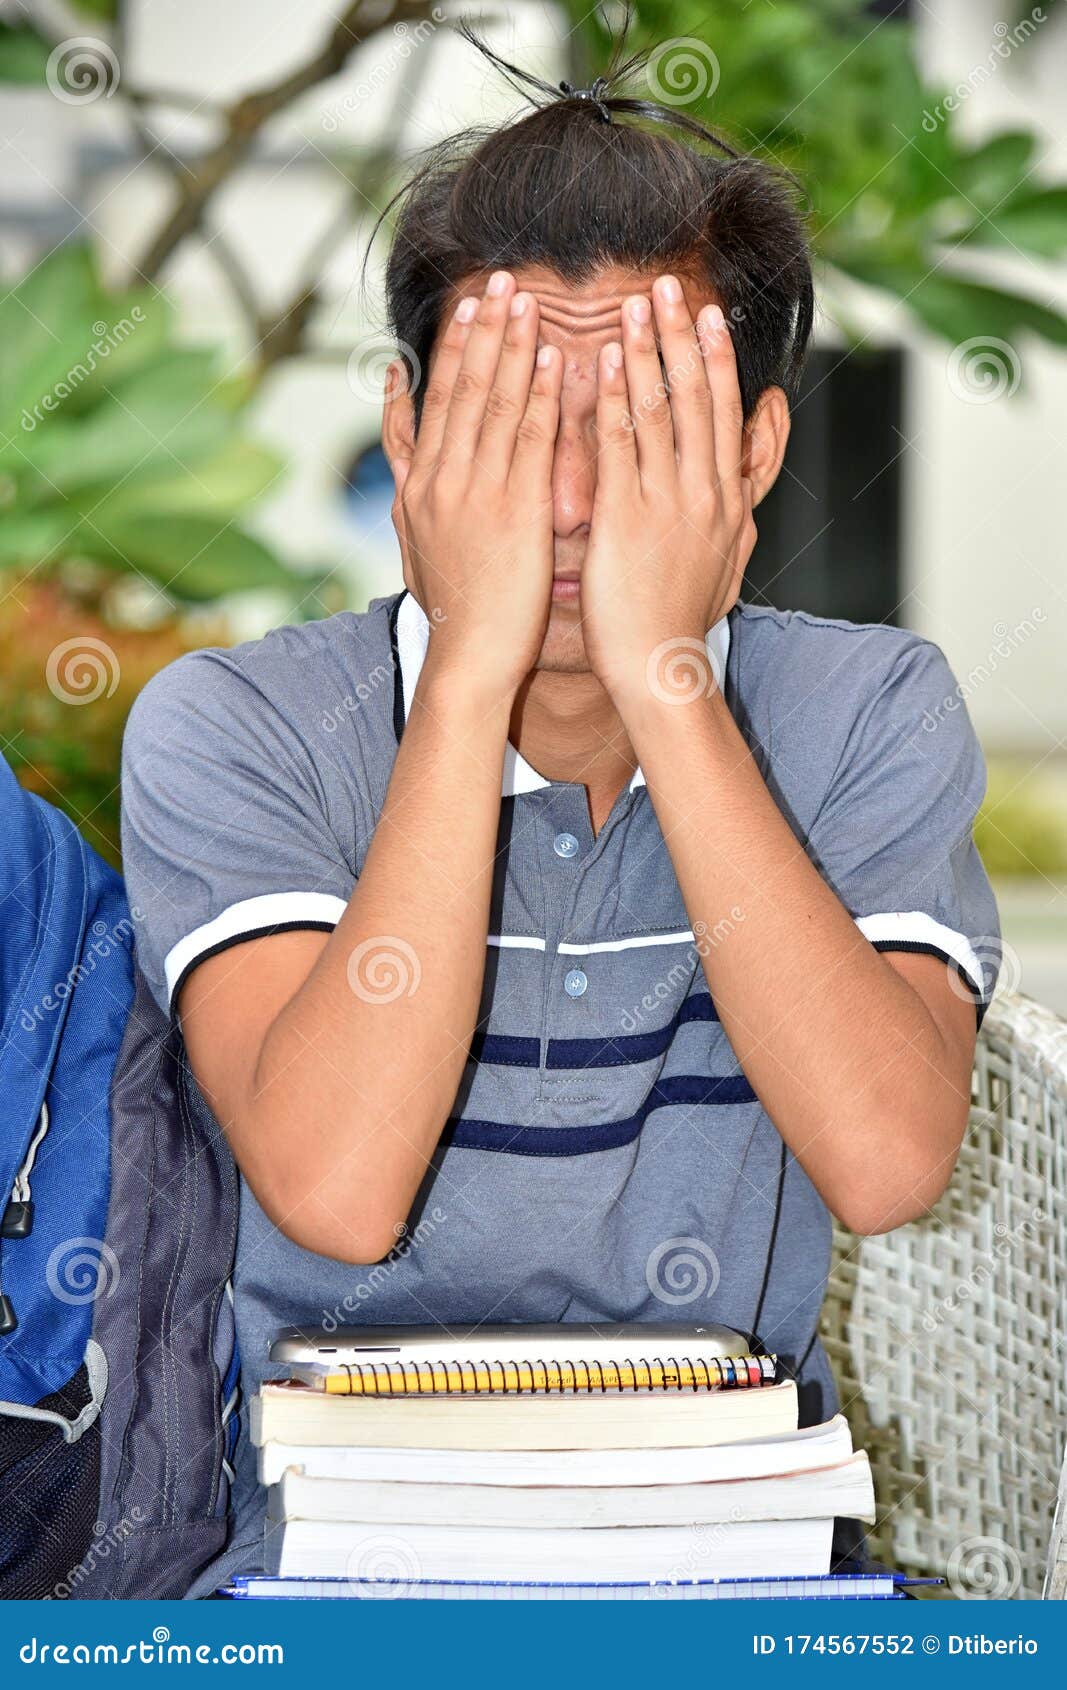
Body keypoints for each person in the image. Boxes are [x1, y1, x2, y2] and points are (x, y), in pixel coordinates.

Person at [120, 32, 999, 1587]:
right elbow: (334, 1186)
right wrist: (466, 680)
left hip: (745, 1555)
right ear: (406, 443)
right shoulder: (243, 727)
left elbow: (883, 1158)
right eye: (515, 427)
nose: (575, 502)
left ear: (753, 454)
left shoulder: (865, 713)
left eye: (643, 426)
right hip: (335, 1563)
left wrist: (672, 683)